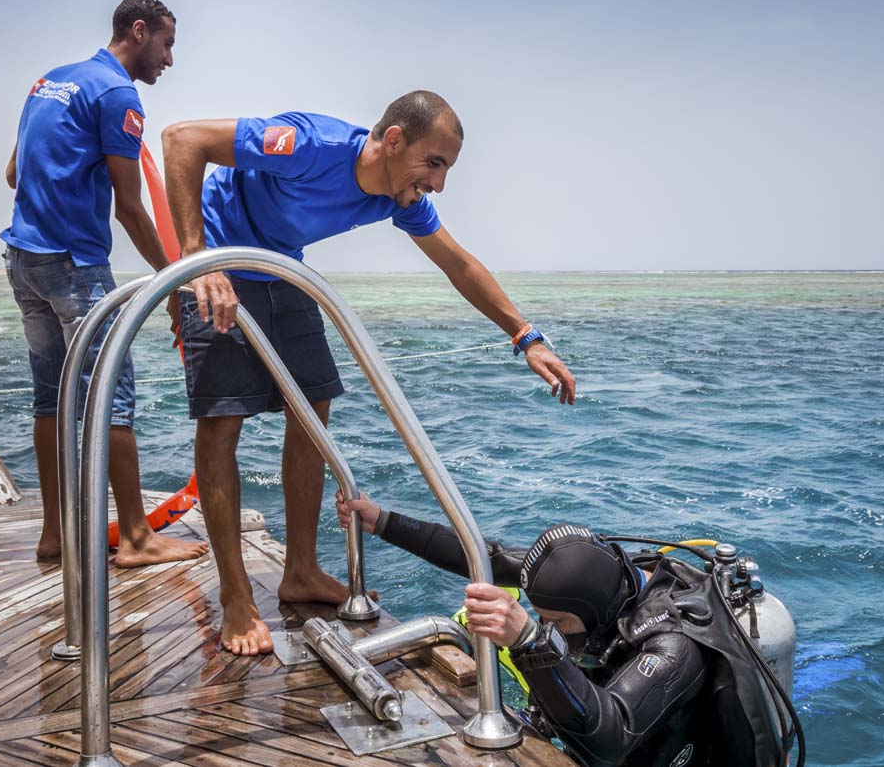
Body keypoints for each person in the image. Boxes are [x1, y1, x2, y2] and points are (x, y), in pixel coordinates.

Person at [160, 92, 577, 655]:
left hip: (284, 267)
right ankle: (236, 595)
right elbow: (183, 140)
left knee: (313, 411)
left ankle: (301, 569)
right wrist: (194, 261)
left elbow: (458, 262)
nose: (440, 183)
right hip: (219, 263)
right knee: (223, 421)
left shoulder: (400, 199)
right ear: (395, 140)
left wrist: (525, 336)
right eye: (434, 163)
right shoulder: (310, 144)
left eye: (448, 168)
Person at [337, 493, 793, 767]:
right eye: (543, 618)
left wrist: (528, 640)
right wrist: (384, 522)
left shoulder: (673, 642)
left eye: (557, 623)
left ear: (591, 612)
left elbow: (610, 740)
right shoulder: (603, 580)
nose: (548, 627)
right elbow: (487, 558)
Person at [0, 0, 207, 567]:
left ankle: (54, 534)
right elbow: (130, 210)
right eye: (166, 43)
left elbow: (13, 172)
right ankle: (138, 538)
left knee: (51, 400)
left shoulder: (50, 81)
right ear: (138, 32)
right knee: (112, 398)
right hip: (73, 265)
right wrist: (177, 278)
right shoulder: (118, 95)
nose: (169, 59)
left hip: (22, 260)